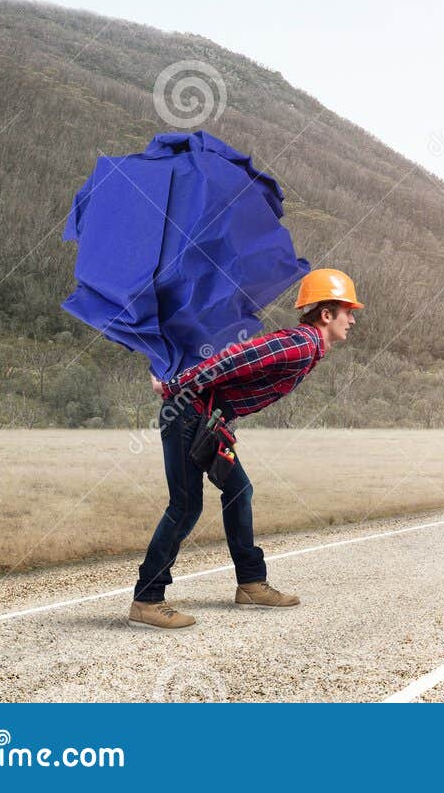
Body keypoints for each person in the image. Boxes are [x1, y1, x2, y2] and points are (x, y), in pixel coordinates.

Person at [128, 268, 362, 630]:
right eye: (348, 311)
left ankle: (251, 584)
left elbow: (237, 379)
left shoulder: (310, 349)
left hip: (206, 420)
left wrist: (221, 421)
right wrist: (174, 387)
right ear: (327, 314)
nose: (353, 318)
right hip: (187, 413)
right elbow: (234, 359)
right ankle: (147, 599)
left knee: (239, 490)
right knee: (186, 505)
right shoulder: (300, 343)